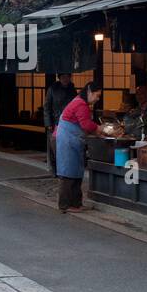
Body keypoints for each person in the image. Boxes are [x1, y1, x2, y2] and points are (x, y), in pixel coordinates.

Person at [54, 80, 102, 213]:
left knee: (76, 172)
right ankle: (64, 205)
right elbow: (86, 124)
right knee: (68, 173)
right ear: (90, 92)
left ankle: (76, 203)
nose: (97, 99)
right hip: (68, 141)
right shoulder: (80, 104)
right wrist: (99, 129)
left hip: (71, 140)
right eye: (97, 96)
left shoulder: (79, 102)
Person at [43, 73, 77, 177]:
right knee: (54, 148)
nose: (65, 79)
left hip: (69, 122)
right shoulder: (53, 89)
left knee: (67, 147)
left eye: (67, 77)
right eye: (63, 77)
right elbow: (47, 107)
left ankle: (65, 170)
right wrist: (48, 123)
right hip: (55, 122)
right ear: (59, 78)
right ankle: (55, 170)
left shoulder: (72, 89)